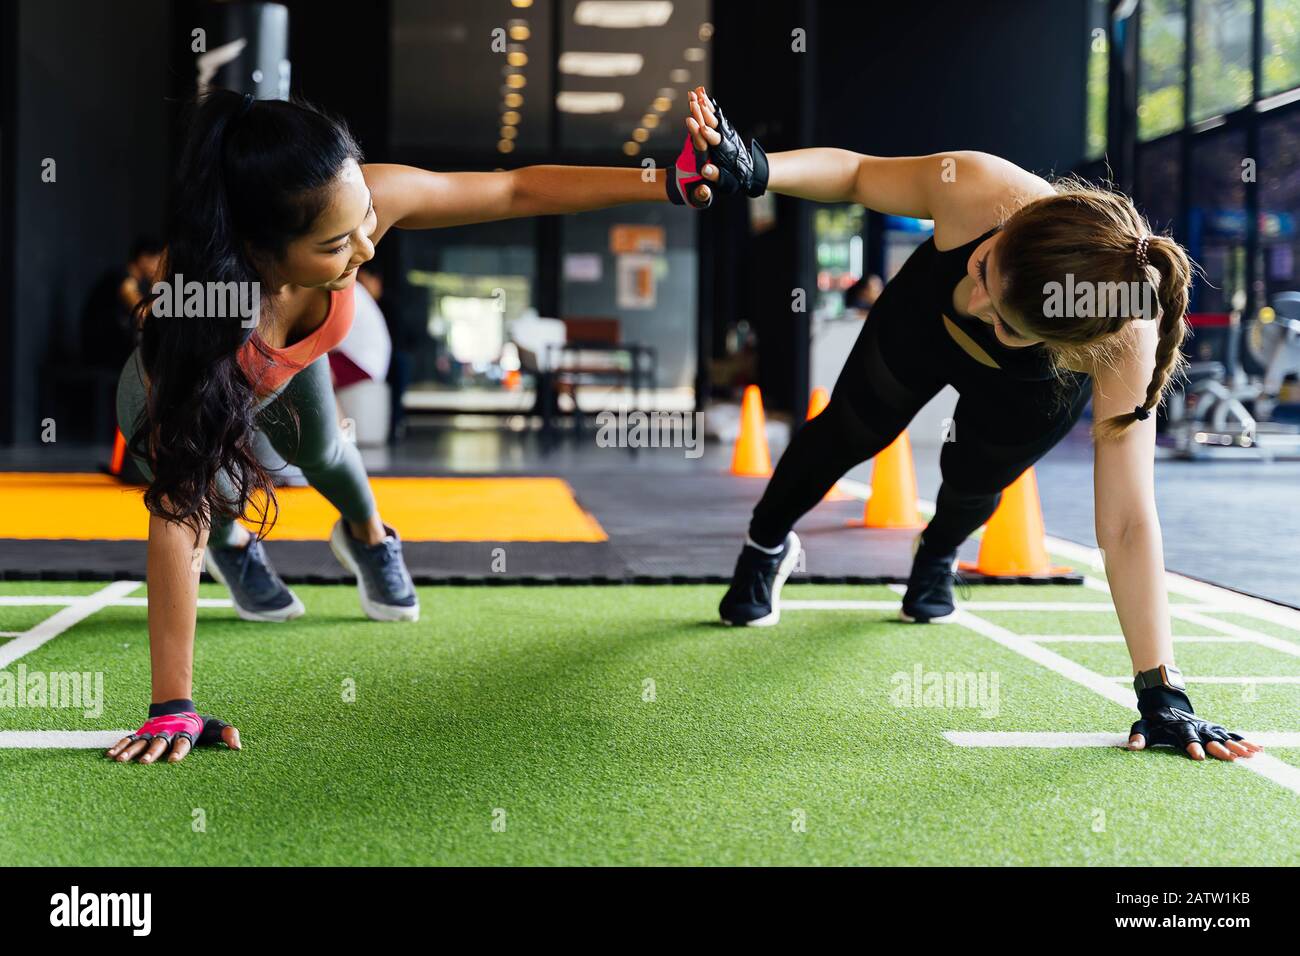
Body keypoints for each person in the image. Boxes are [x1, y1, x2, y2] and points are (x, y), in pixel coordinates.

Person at [108, 90, 712, 765]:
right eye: (336, 244)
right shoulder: (202, 326)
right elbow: (174, 511)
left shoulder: (357, 198)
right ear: (260, 253)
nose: (368, 245)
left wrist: (667, 182)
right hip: (196, 384)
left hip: (290, 360)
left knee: (325, 451)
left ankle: (367, 537)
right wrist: (173, 707)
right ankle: (235, 542)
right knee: (208, 488)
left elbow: (514, 190)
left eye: (365, 217)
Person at [687, 87, 1258, 763]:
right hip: (920, 324)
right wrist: (759, 169)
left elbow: (1129, 521)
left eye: (1003, 315)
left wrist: (1162, 692)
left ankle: (936, 556)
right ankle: (765, 546)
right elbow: (859, 173)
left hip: (1028, 394)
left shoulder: (1124, 334)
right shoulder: (982, 186)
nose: (977, 295)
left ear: (1073, 343)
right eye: (988, 266)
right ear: (1013, 225)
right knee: (846, 431)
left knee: (972, 479)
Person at [80, 237, 164, 370]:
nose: (158, 268)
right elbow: (141, 312)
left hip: (107, 346)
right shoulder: (124, 279)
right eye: (157, 261)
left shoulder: (131, 280)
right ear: (143, 258)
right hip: (99, 350)